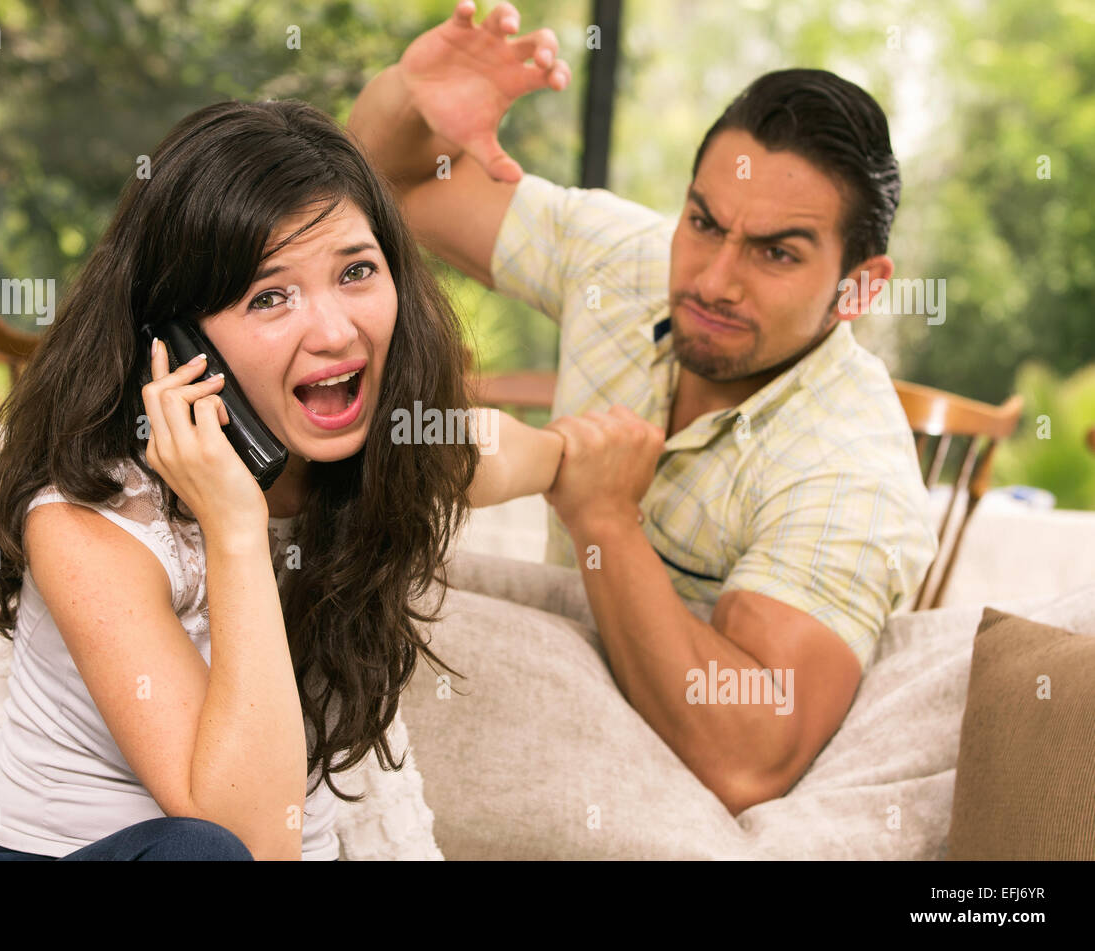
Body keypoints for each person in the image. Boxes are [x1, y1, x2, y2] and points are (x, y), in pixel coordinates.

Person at [347, 0, 938, 814]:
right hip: (546, 715)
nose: (714, 279)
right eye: (705, 222)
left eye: (776, 252)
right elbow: (391, 187)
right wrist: (409, 98)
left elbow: (749, 755)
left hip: (661, 797)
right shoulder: (625, 257)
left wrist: (607, 520)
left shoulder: (851, 469)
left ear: (859, 286)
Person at [0, 97, 564, 861]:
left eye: (356, 272)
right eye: (270, 296)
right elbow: (249, 841)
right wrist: (235, 527)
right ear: (175, 345)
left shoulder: (382, 456)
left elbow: (494, 450)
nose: (336, 331)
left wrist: (576, 455)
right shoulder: (89, 523)